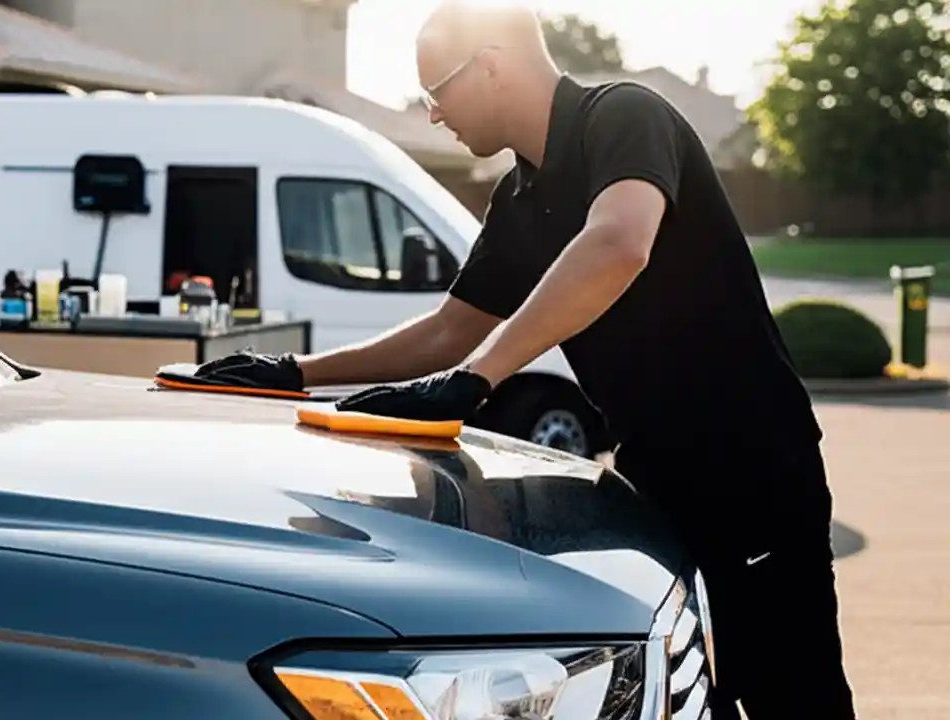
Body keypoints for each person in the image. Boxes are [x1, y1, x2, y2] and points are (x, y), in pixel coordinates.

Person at [183, 1, 855, 716]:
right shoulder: (518, 195)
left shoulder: (623, 117)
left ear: (493, 64)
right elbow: (450, 329)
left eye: (436, 91)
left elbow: (620, 243)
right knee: (677, 687)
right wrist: (295, 372)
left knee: (789, 690)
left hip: (751, 467)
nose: (433, 114)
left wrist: (477, 379)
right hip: (653, 475)